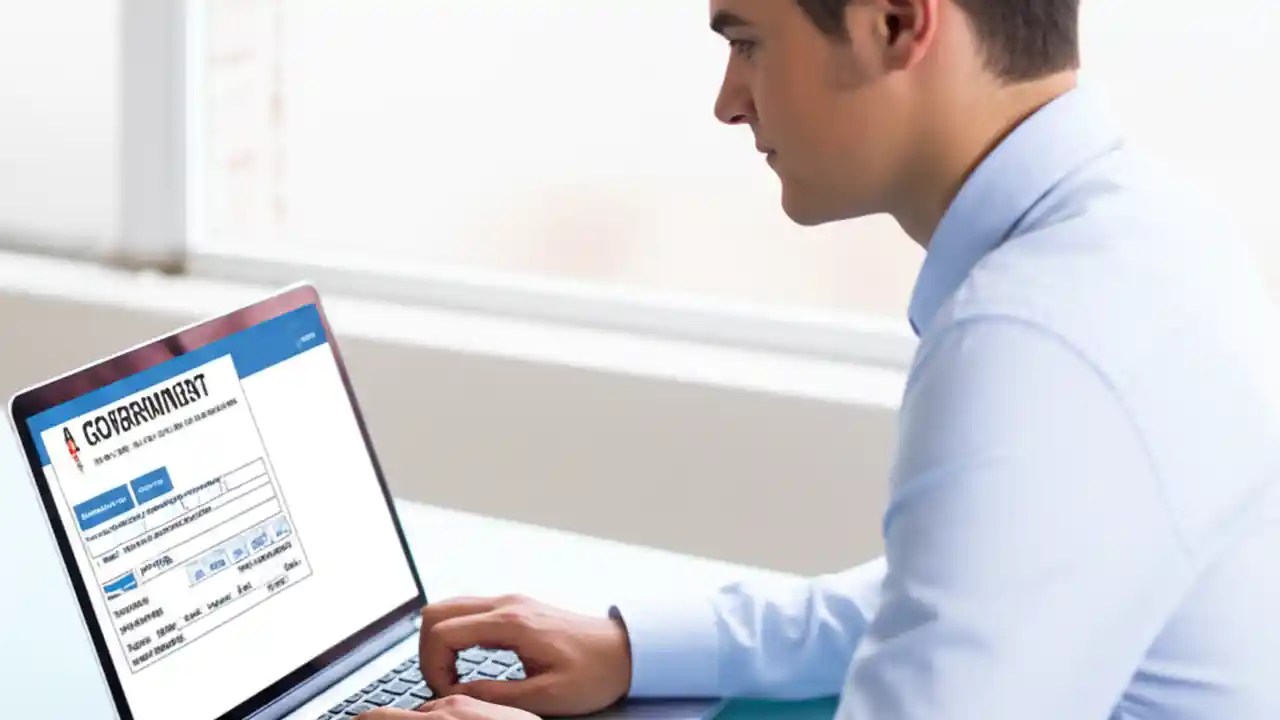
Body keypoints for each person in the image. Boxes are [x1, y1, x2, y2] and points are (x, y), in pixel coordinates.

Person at [364, 0, 1280, 717]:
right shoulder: (1150, 228)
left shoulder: (1031, 341)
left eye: (750, 42)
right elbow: (956, 596)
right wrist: (632, 646)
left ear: (895, 23)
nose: (728, 100)